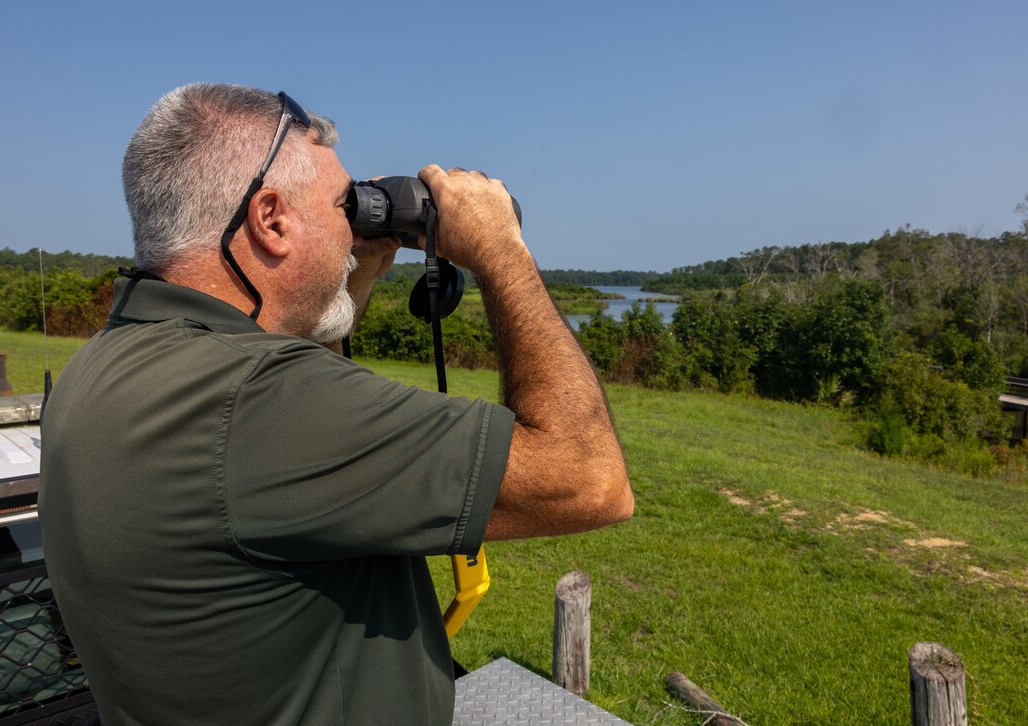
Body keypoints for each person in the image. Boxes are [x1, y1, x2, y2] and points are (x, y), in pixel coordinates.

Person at [38, 83, 631, 725]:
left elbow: (287, 451)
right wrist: (500, 249)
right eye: (343, 205)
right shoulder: (253, 402)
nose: (354, 226)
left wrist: (359, 272)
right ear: (271, 220)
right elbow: (588, 480)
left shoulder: (106, 364)